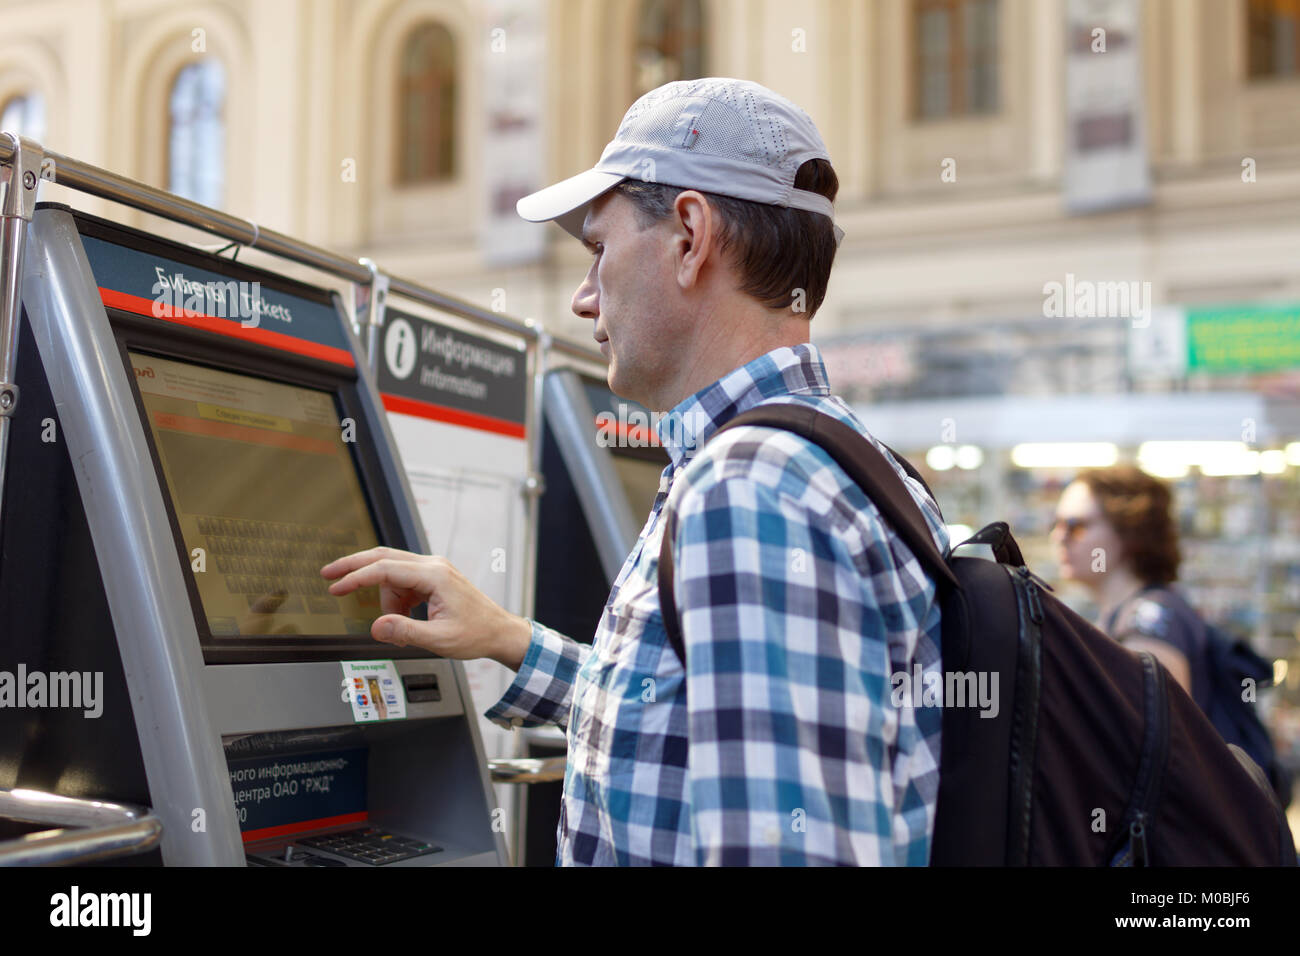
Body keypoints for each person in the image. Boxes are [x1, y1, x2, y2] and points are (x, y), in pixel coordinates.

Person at [322, 77, 949, 865]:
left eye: (597, 250)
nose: (584, 298)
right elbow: (687, 725)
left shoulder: (750, 492)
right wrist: (508, 638)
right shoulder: (843, 462)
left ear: (690, 236)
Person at [1051, 466, 1208, 708]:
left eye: (1076, 525)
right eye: (1057, 524)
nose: (1059, 537)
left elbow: (1161, 735)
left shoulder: (1151, 622)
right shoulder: (1123, 615)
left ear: (1129, 531)